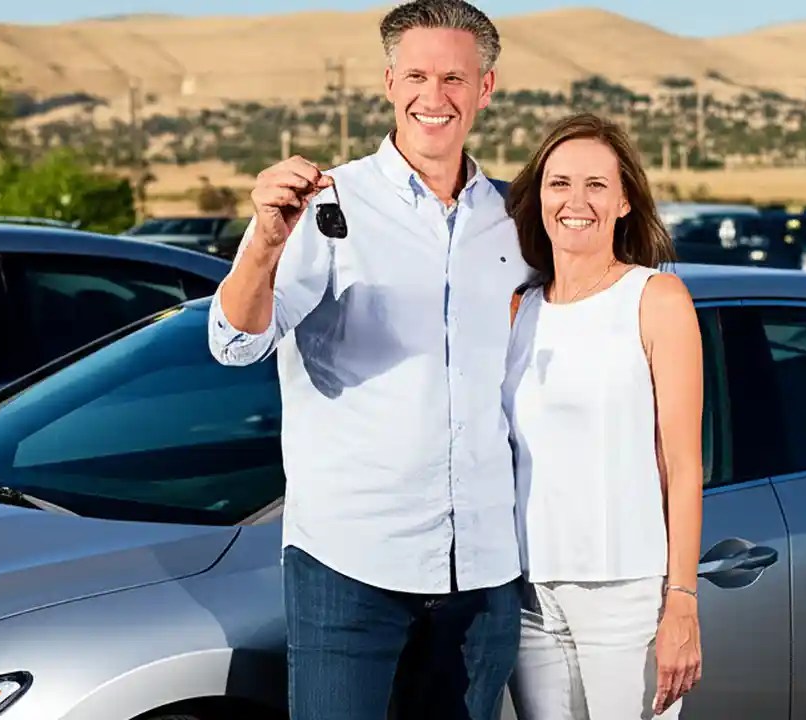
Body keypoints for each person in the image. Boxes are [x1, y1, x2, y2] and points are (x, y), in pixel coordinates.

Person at [206, 1, 530, 717]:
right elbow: (235, 343)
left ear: (487, 87)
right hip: (351, 567)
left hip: (483, 572)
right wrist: (263, 240)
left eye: (454, 77)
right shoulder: (323, 204)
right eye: (416, 74)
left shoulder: (516, 219)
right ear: (389, 82)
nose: (434, 96)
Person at [501, 113, 705, 719]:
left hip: (626, 594)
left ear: (622, 202)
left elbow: (683, 465)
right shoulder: (520, 308)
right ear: (538, 198)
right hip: (528, 594)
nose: (575, 201)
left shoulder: (654, 298)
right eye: (559, 183)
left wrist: (682, 602)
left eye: (596, 185)